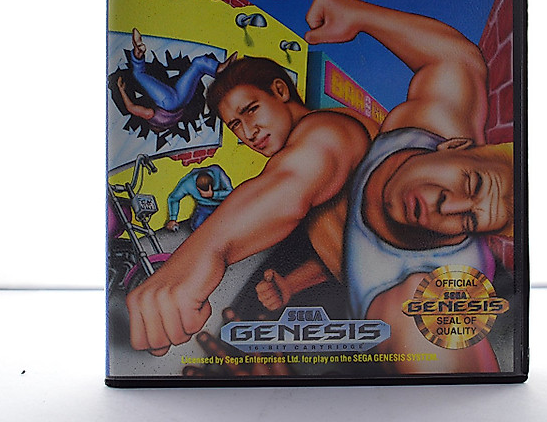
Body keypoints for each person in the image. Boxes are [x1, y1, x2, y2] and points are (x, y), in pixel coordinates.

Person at [302, 0, 515, 374]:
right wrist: (356, 13)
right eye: (471, 184)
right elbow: (458, 60)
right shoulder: (431, 123)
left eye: (469, 221)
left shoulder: (432, 288)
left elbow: (445, 343)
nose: (447, 206)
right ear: (454, 144)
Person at [125, 54, 372, 355]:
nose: (249, 132)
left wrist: (205, 252)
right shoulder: (323, 162)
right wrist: (293, 283)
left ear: (280, 90)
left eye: (251, 110)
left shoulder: (330, 127)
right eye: (236, 125)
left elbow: (292, 180)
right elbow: (357, 246)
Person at [110, 29, 233, 133]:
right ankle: (138, 52)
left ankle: (219, 70)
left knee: (198, 66)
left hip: (183, 100)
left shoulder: (172, 120)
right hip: (169, 102)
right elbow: (131, 108)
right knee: (138, 73)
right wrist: (122, 90)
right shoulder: (153, 118)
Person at [164, 165, 233, 231]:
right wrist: (173, 219)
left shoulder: (218, 172)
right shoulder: (188, 183)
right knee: (196, 226)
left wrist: (213, 194)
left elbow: (231, 192)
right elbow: (174, 198)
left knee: (230, 224)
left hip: (222, 204)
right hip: (203, 207)